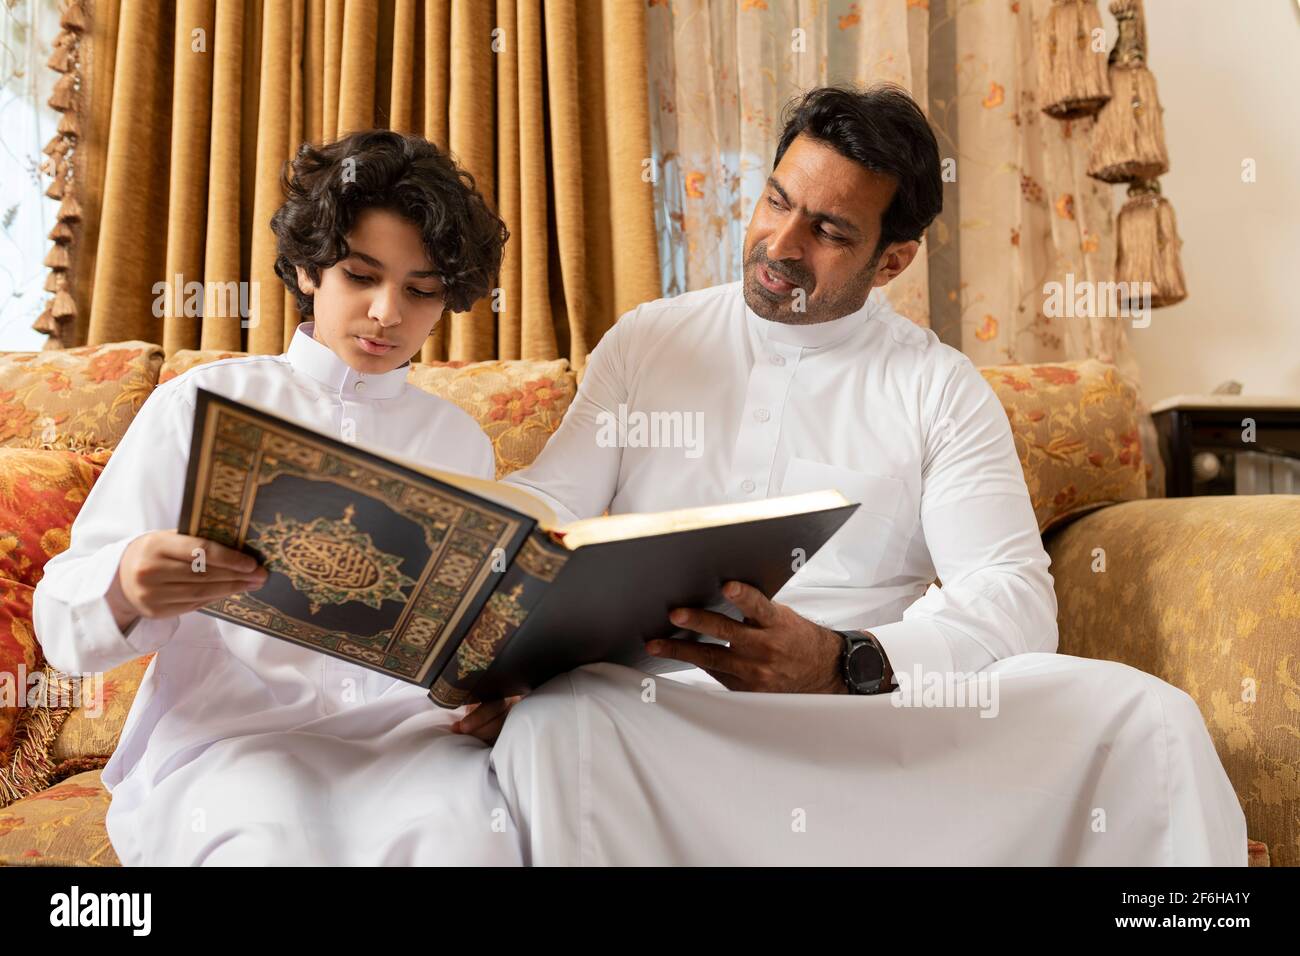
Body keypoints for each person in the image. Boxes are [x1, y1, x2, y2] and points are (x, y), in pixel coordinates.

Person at [478, 85, 1248, 865]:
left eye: (828, 231)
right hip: (662, 715)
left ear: (893, 261)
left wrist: (843, 661)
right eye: (777, 201)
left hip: (862, 725)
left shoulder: (937, 388)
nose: (781, 244)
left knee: (1147, 717)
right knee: (556, 726)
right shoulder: (648, 342)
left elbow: (1010, 597)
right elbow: (549, 504)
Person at [34, 130, 522, 866]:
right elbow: (61, 613)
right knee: (268, 844)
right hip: (233, 743)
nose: (387, 312)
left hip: (411, 744)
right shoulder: (204, 402)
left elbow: (471, 628)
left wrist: (500, 688)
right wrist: (127, 583)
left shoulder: (459, 441)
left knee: (466, 843)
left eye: (421, 291)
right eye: (361, 276)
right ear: (307, 267)